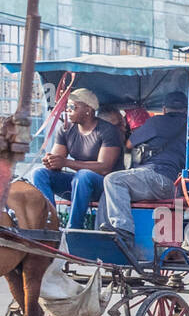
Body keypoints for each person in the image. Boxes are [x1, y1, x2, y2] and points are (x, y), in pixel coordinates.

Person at [98, 90, 189, 238]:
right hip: (175, 185)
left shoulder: (156, 122)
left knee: (112, 180)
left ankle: (123, 231)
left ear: (164, 109)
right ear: (186, 110)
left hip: (156, 177)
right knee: (107, 192)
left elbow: (129, 144)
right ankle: (102, 237)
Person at [29, 88, 123, 229]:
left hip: (105, 187)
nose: (68, 110)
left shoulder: (108, 131)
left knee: (83, 175)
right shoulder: (66, 129)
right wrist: (51, 161)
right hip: (79, 184)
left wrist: (66, 162)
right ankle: (50, 221)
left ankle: (74, 226)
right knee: (39, 173)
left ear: (88, 110)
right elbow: (57, 162)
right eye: (67, 107)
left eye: (73, 107)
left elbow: (104, 168)